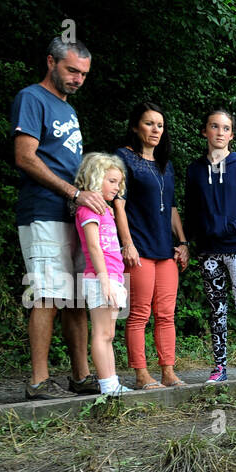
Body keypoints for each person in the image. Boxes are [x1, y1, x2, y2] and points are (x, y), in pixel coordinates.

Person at [11, 38, 103, 400]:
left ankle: (80, 376)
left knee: (77, 297)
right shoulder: (32, 98)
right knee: (47, 295)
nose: (78, 79)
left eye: (84, 74)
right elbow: (25, 157)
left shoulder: (68, 109)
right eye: (72, 71)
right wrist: (72, 192)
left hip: (72, 214)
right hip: (43, 210)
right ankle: (38, 381)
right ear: (50, 61)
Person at [185, 109, 236, 382]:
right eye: (214, 126)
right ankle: (219, 367)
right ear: (204, 131)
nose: (220, 132)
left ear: (232, 134)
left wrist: (231, 227)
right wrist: (195, 238)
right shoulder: (194, 171)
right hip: (208, 251)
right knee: (216, 310)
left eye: (226, 128)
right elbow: (192, 211)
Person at [114, 101, 190, 390]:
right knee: (139, 314)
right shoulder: (123, 158)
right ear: (135, 127)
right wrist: (127, 244)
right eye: (149, 123)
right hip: (140, 249)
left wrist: (182, 242)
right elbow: (118, 205)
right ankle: (142, 375)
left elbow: (170, 207)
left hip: (165, 250)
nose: (155, 129)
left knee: (166, 314)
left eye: (159, 124)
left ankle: (168, 372)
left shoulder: (165, 165)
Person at [73, 153, 130, 395]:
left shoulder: (106, 211)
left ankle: (112, 383)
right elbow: (94, 247)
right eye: (112, 181)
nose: (117, 188)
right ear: (96, 179)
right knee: (102, 332)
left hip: (113, 277)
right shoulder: (88, 210)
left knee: (109, 334)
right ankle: (108, 385)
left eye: (119, 183)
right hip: (100, 278)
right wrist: (104, 279)